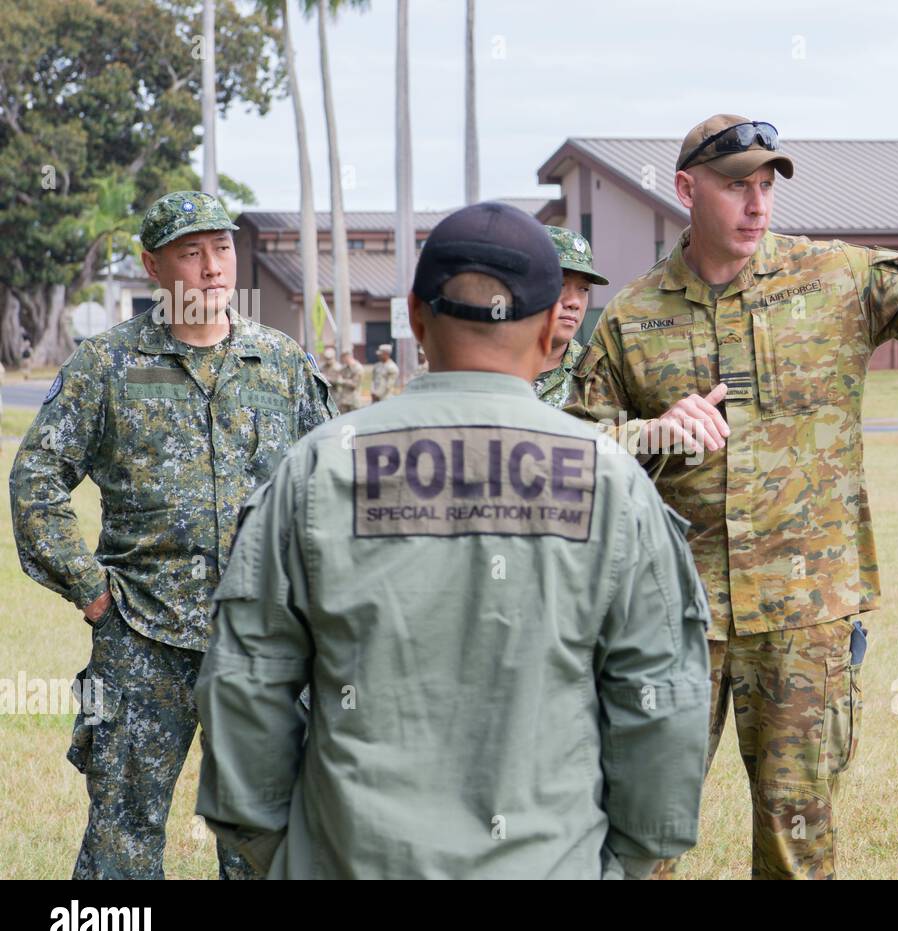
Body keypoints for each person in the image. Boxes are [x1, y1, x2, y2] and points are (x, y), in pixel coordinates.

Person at [567, 113, 898, 879]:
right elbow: (577, 448)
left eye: (766, 186)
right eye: (738, 187)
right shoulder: (633, 318)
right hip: (671, 617)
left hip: (804, 616)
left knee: (798, 844)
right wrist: (654, 433)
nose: (757, 204)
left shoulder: (834, 279)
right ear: (687, 190)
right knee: (641, 834)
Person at [194, 201, 712, 879]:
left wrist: (283, 852)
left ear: (414, 316)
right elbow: (661, 701)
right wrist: (623, 862)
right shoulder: (612, 482)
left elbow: (246, 682)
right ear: (550, 330)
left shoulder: (323, 468)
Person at [8, 190, 336, 880]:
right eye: (191, 253)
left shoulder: (280, 364)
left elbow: (331, 490)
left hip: (260, 640)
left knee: (265, 834)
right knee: (122, 834)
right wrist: (91, 591)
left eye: (221, 248)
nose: (213, 267)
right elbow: (37, 480)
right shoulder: (108, 367)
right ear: (154, 268)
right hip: (142, 638)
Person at [534, 225, 608, 407]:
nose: (574, 302)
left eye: (583, 289)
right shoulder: (489, 366)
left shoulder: (599, 376)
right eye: (560, 284)